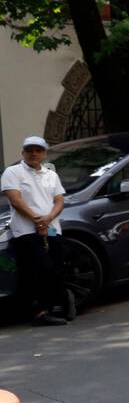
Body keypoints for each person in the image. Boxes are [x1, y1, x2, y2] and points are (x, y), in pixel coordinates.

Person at [1, 136, 74, 326]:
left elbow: (59, 201)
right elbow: (15, 200)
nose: (34, 153)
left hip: (51, 229)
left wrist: (48, 219)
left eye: (38, 150)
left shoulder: (51, 175)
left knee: (57, 267)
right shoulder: (13, 172)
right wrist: (36, 220)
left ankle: (58, 305)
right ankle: (41, 312)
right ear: (23, 152)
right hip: (26, 232)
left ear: (44, 154)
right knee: (41, 269)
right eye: (30, 150)